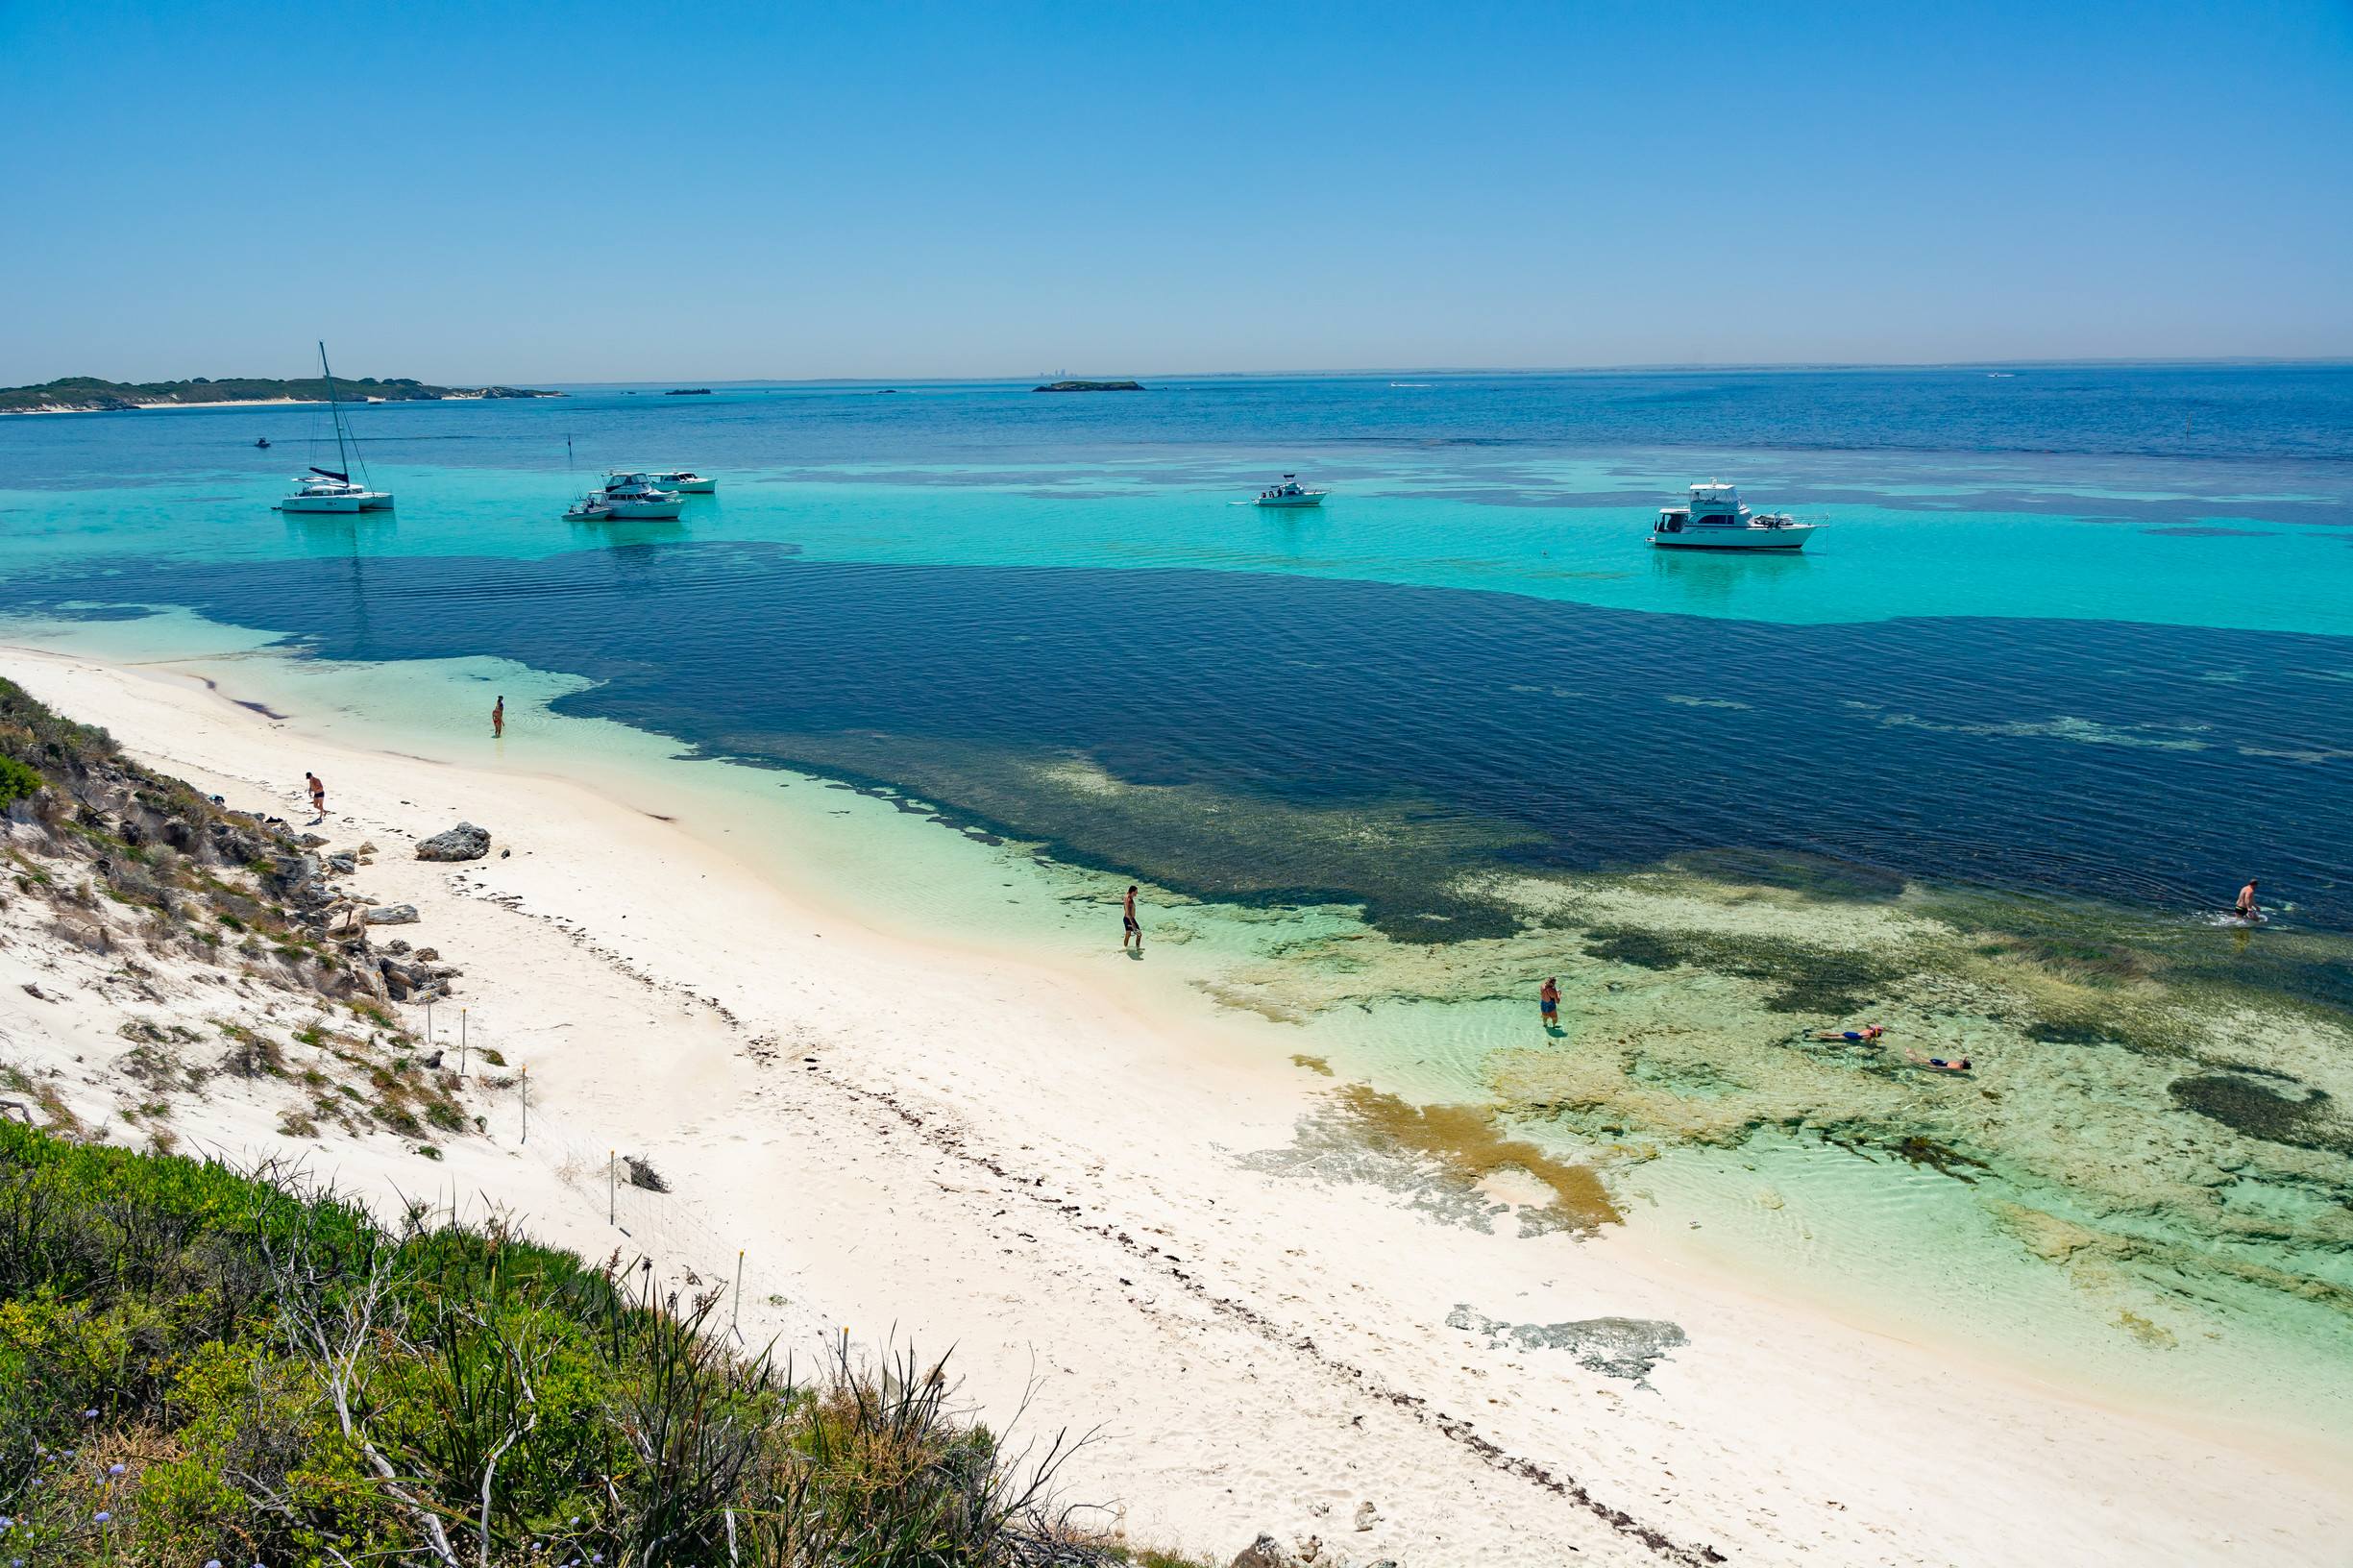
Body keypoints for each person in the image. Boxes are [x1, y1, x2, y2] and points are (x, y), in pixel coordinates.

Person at [1904, 1049, 1972, 1073]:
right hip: (1937, 1063)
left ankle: (1910, 1052)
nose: (1962, 1061)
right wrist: (1935, 1068)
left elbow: (1961, 1062)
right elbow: (1945, 1068)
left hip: (1939, 1061)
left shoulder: (1958, 1065)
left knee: (1921, 1060)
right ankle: (1909, 1053)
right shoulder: (1957, 1067)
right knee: (1917, 1061)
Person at [1815, 1023, 1885, 1043]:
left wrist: (1877, 1029)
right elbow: (1867, 1042)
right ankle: (1814, 1037)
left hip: (1848, 1033)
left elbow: (1871, 1026)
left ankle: (1816, 1033)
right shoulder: (1868, 1036)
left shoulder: (1868, 1030)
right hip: (1849, 1037)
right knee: (1831, 1038)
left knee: (1830, 1034)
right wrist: (1873, 1042)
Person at [1122, 884, 1141, 951]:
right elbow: (1128, 913)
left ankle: (1125, 948)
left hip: (1127, 919)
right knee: (1139, 934)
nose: (1137, 893)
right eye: (1136, 892)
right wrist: (1132, 923)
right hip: (1129, 919)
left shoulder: (1128, 897)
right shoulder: (1128, 899)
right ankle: (1138, 949)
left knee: (1128, 934)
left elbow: (1125, 896)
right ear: (1133, 892)